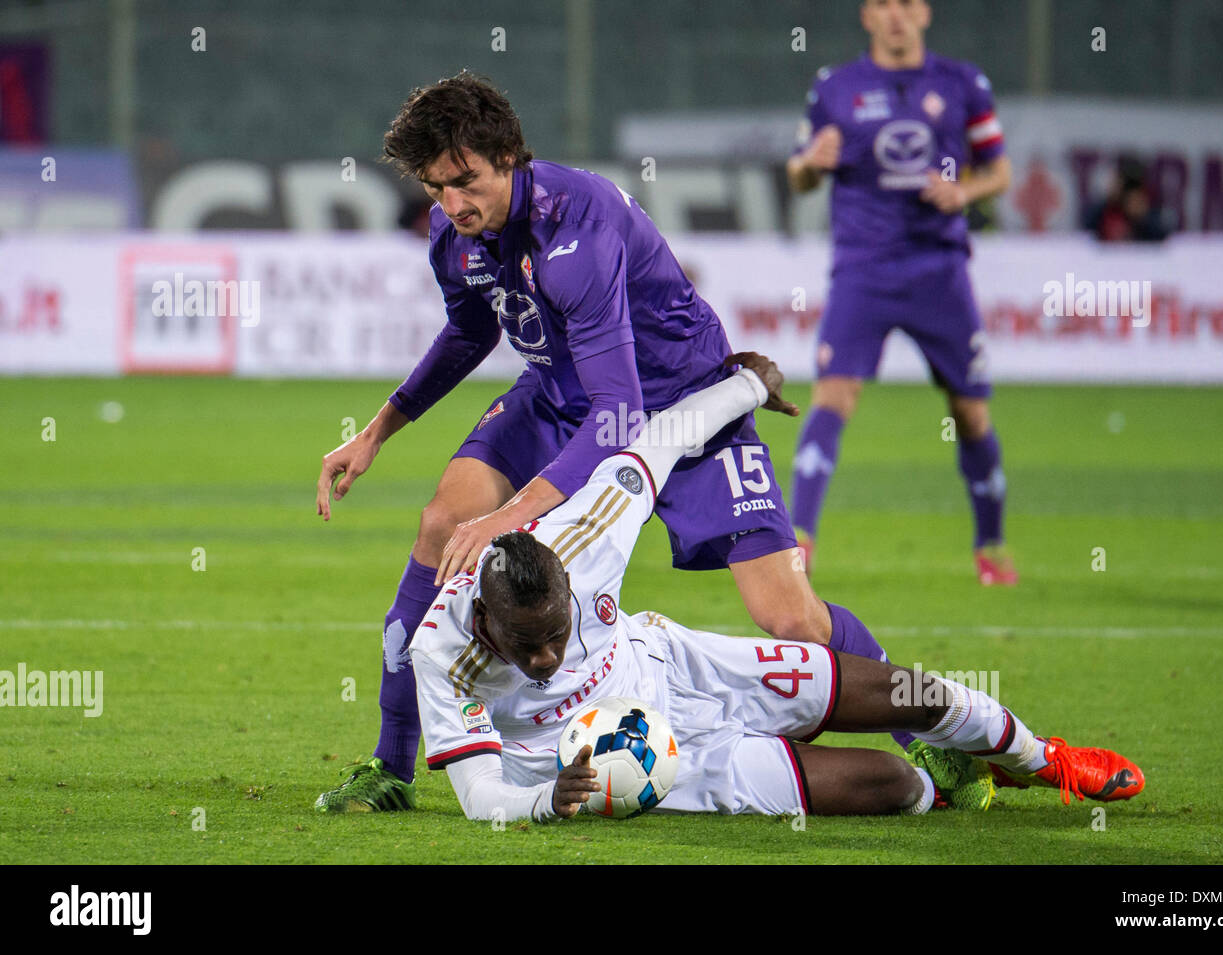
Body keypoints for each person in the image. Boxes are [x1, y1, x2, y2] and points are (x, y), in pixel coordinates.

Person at [313, 73, 906, 813]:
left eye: (465, 182)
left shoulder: (578, 224)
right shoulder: (453, 232)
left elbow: (622, 414)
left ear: (508, 156)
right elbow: (471, 331)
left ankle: (930, 735)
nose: (452, 205)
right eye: (436, 189)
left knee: (791, 620)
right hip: (562, 391)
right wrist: (379, 429)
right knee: (440, 523)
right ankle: (389, 767)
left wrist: (510, 516)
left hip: (681, 399)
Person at [408, 355, 1144, 821]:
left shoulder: (584, 532)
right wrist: (547, 799)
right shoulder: (440, 653)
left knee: (907, 694)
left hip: (677, 666)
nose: (546, 658)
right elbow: (480, 798)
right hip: (646, 767)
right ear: (484, 623)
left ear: (568, 586)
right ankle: (939, 787)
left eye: (556, 634)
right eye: (526, 647)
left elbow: (661, 440)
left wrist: (747, 385)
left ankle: (1045, 759)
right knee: (892, 784)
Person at [786, 0, 1016, 585]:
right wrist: (812, 162)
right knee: (833, 396)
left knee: (969, 410)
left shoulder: (963, 82)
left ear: (926, 13)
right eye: (883, 4)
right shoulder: (835, 87)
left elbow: (1000, 169)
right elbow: (798, 174)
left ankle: (991, 545)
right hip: (863, 268)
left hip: (938, 268)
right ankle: (800, 543)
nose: (896, 15)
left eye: (907, 3)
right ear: (866, 15)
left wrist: (964, 193)